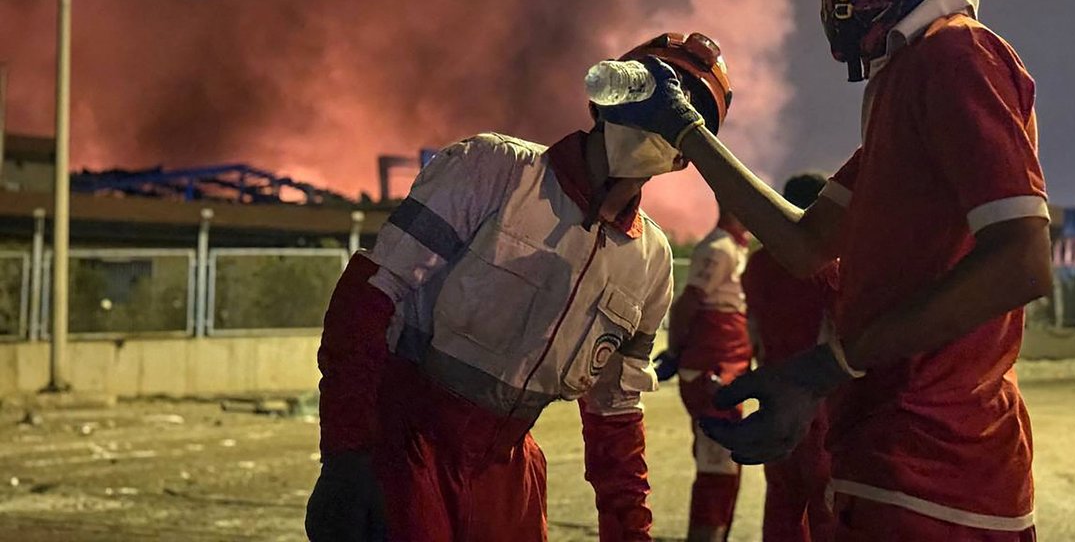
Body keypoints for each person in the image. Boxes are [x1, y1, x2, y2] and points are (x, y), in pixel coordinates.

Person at [594, 0, 1052, 541]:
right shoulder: (906, 81)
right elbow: (806, 243)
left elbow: (1022, 261)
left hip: (937, 467)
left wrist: (828, 366)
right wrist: (687, 130)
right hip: (890, 449)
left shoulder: (955, 57)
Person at [304, 32, 734, 542]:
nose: (666, 110)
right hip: (406, 447)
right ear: (609, 95)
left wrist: (629, 532)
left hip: (509, 478)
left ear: (691, 151)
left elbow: (615, 416)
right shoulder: (492, 170)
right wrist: (348, 454)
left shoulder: (651, 261)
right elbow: (365, 302)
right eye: (657, 88)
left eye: (687, 107)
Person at [741, 173, 838, 542]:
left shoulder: (758, 266)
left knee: (782, 504)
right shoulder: (826, 266)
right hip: (818, 404)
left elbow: (751, 330)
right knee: (826, 512)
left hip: (774, 396)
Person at [653, 206, 753, 542]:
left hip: (726, 371)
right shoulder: (718, 248)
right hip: (713, 374)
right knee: (718, 470)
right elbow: (688, 303)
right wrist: (676, 351)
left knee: (725, 470)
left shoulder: (736, 248)